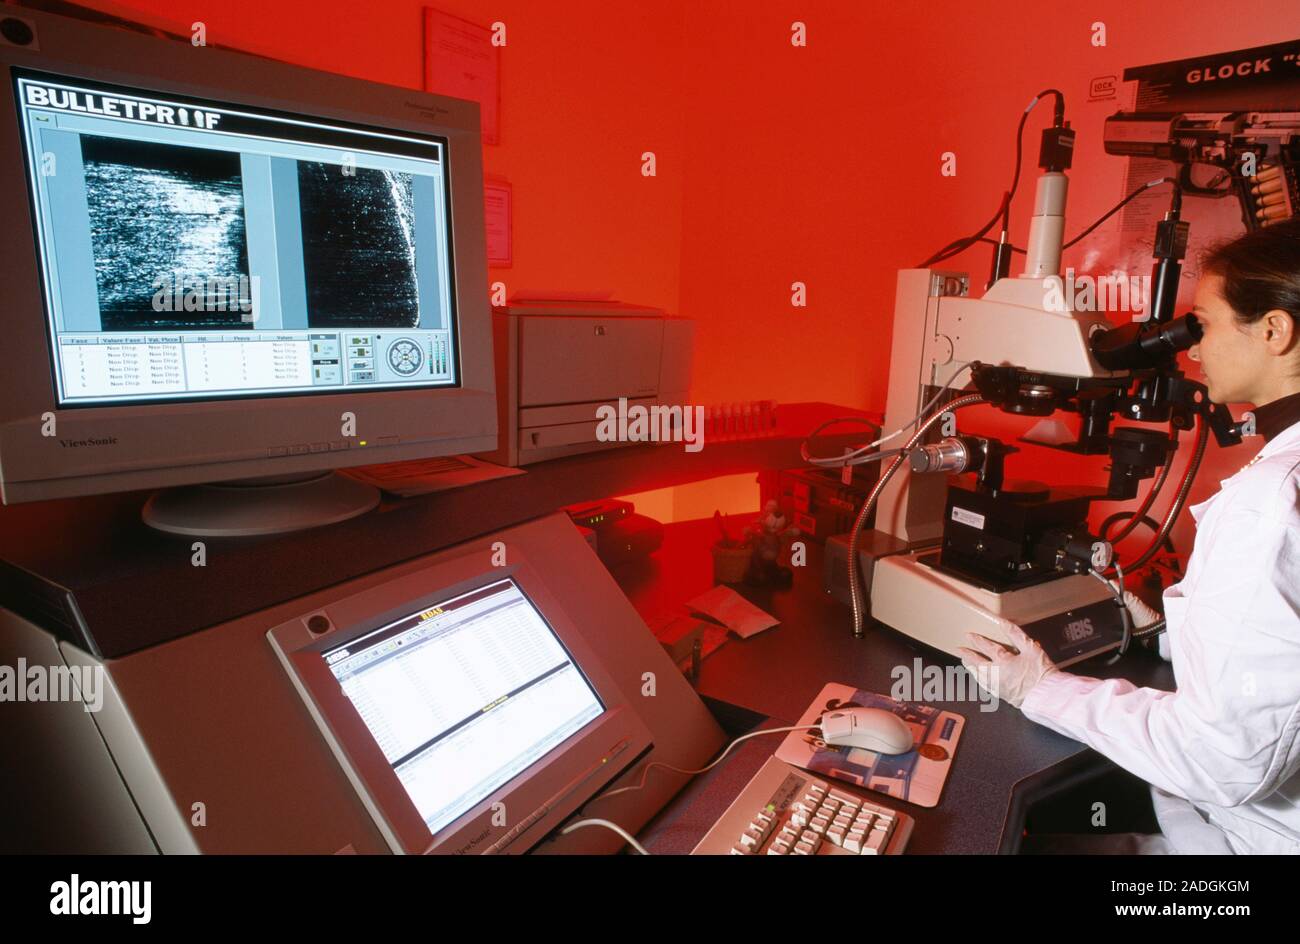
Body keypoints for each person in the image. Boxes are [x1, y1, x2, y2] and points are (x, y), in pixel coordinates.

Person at [959, 218, 1300, 854]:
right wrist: (1176, 634)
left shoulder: (1270, 506)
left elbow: (1223, 758)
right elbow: (1282, 655)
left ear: (1275, 331)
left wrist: (1042, 689)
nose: (1193, 351)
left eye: (1205, 324)